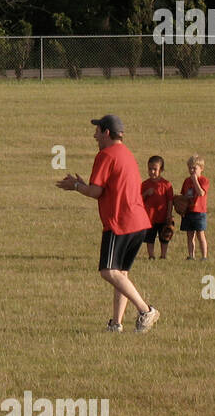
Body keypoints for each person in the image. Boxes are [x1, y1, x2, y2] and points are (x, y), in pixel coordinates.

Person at [56, 115, 161, 333]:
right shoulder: (127, 153)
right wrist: (83, 184)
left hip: (119, 222)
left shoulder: (105, 155)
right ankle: (116, 323)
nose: (94, 135)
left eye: (97, 131)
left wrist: (75, 186)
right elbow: (109, 187)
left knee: (107, 271)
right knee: (121, 275)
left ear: (106, 133)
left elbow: (96, 192)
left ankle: (145, 310)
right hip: (139, 222)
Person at [140, 156, 174, 259]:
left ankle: (163, 255)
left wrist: (169, 214)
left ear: (161, 170)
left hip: (163, 216)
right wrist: (146, 193)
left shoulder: (166, 185)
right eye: (150, 169)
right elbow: (138, 199)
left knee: (164, 237)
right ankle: (151, 255)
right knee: (149, 238)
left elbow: (170, 201)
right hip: (149, 217)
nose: (152, 171)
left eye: (155, 169)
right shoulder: (145, 184)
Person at [178, 155, 210, 260]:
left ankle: (204, 256)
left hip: (199, 212)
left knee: (200, 234)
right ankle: (191, 255)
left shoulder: (204, 180)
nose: (191, 170)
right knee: (190, 235)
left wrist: (195, 180)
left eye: (194, 168)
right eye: (190, 168)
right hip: (188, 211)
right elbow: (183, 195)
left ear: (201, 168)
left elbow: (201, 193)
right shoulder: (186, 181)